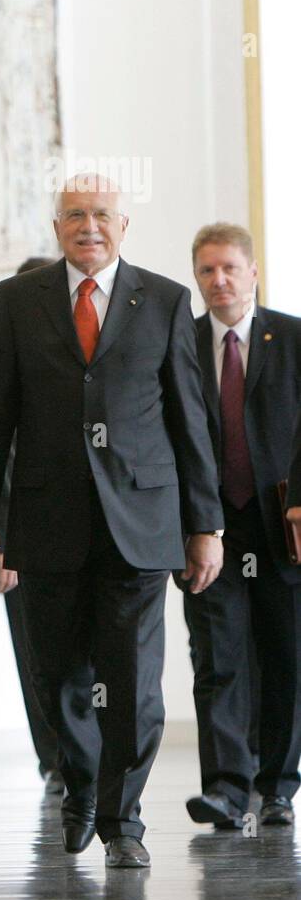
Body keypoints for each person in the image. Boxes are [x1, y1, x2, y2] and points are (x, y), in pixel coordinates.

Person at [0, 174, 223, 869]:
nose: (89, 226)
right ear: (58, 227)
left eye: (101, 214)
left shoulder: (163, 299)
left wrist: (205, 524)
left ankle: (123, 817)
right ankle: (79, 786)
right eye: (75, 214)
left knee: (133, 679)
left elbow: (188, 418)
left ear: (123, 224)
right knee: (60, 674)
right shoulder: (19, 300)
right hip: (47, 518)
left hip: (141, 517)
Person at [184, 223, 301, 829]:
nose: (219, 279)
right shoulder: (181, 342)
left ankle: (278, 786)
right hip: (210, 528)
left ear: (253, 271)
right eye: (207, 270)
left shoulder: (294, 337)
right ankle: (228, 789)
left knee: (286, 656)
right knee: (217, 657)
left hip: (282, 525)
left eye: (230, 267)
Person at [0, 256, 65, 794]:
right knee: (34, 653)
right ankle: (54, 759)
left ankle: (88, 756)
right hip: (19, 532)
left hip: (83, 528)